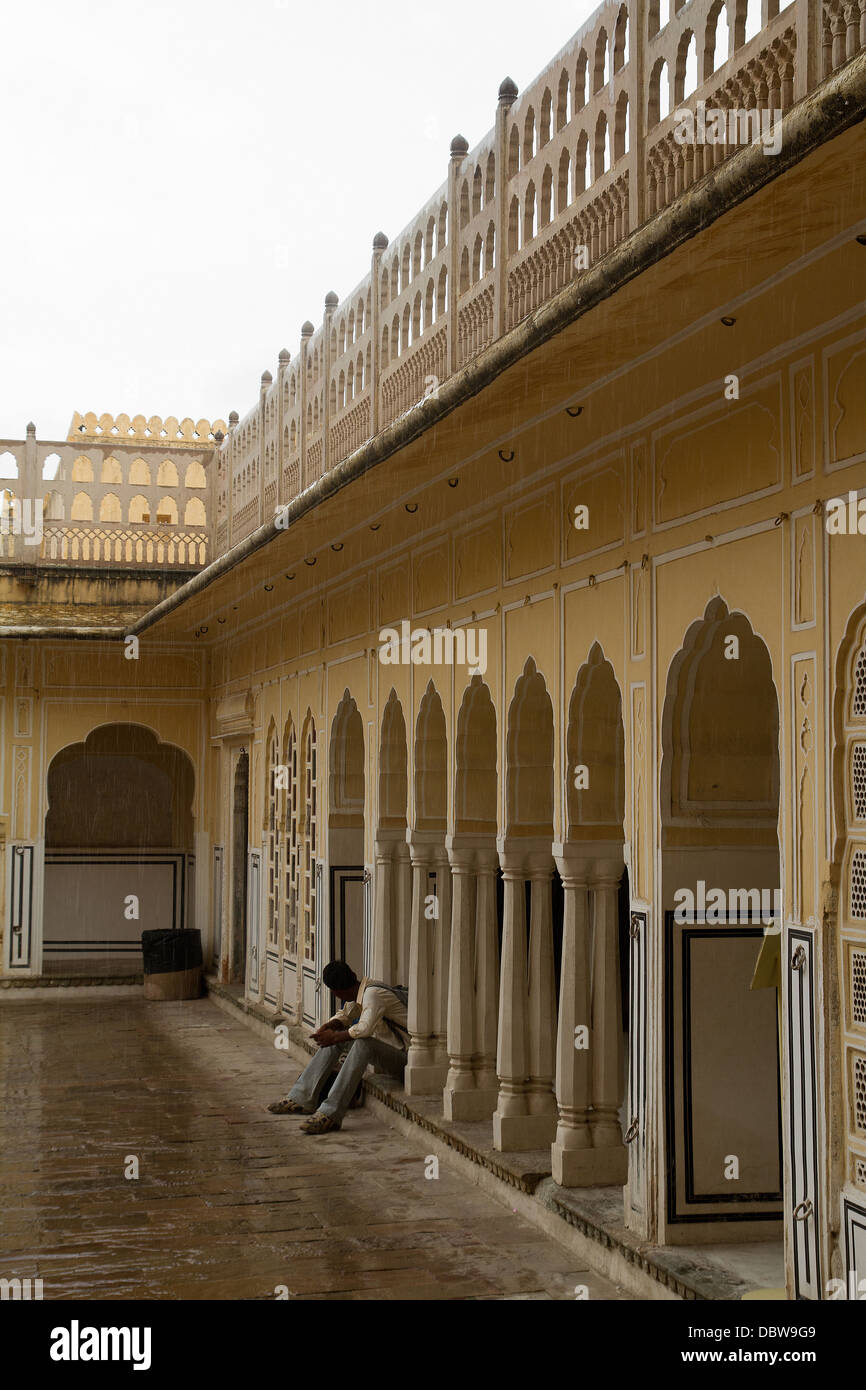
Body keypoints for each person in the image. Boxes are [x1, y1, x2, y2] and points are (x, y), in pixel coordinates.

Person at [266, 961, 409, 1135]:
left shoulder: (373, 994)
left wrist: (334, 1036)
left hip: (407, 1062)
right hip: (393, 1055)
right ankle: (301, 1097)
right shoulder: (361, 991)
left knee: (362, 1043)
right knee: (338, 1035)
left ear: (337, 992)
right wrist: (331, 1026)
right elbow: (347, 1014)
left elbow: (363, 1028)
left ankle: (330, 1113)